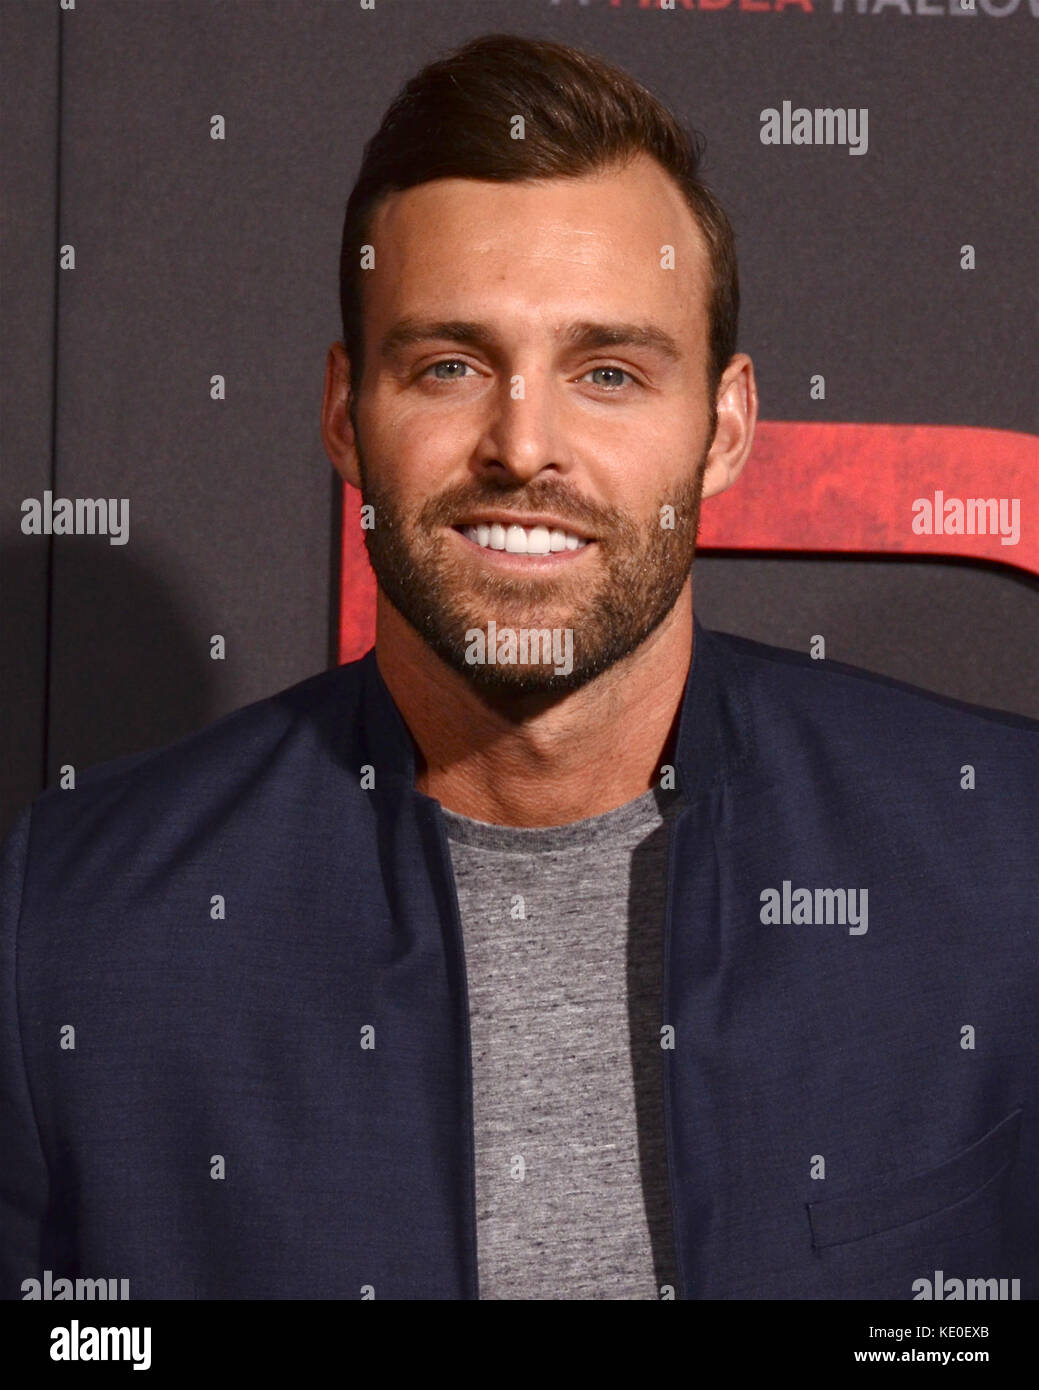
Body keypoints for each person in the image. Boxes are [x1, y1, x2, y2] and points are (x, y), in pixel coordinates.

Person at [2, 32, 1036, 1303]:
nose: (522, 444)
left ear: (724, 427)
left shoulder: (1000, 856)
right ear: (344, 414)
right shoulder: (76, 927)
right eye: (449, 365)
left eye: (607, 371)